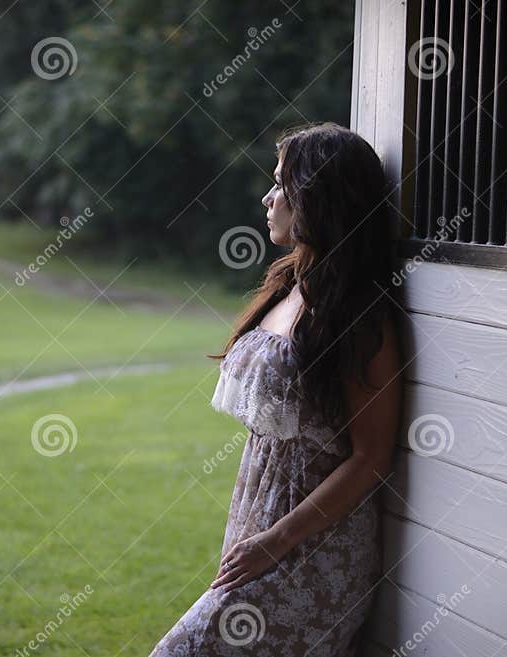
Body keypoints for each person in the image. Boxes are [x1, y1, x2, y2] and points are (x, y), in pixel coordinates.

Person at [148, 121, 404, 656]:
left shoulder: (357, 317)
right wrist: (258, 537)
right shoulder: (289, 287)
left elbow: (371, 457)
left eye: (281, 184)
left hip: (315, 547)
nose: (268, 198)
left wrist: (276, 541)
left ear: (316, 197)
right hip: (260, 519)